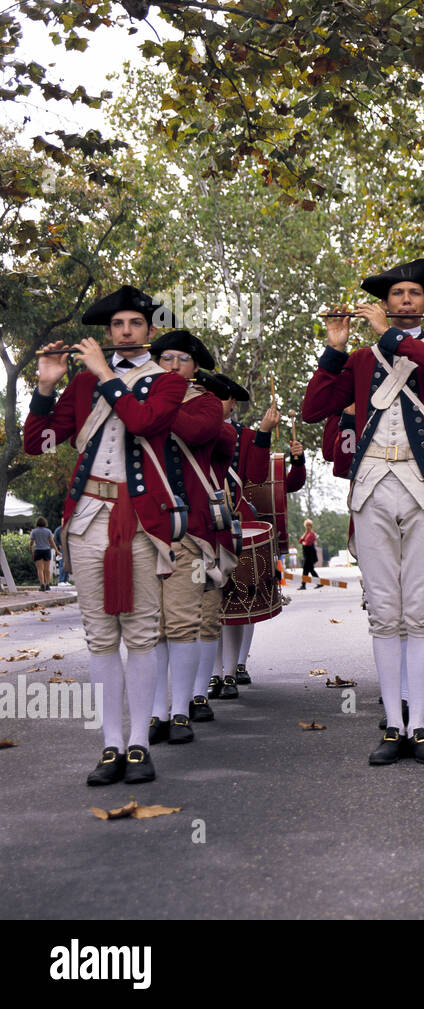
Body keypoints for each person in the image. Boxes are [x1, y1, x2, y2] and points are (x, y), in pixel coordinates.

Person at [25, 285, 187, 785]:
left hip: (141, 521)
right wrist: (48, 387)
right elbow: (38, 443)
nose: (124, 332)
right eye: (117, 325)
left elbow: (143, 422)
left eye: (134, 324)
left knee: (140, 633)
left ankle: (139, 742)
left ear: (150, 331)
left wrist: (102, 375)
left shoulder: (168, 382)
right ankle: (110, 745)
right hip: (90, 516)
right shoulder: (81, 385)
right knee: (99, 636)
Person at [302, 258, 424, 764]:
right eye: (397, 294)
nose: (405, 300)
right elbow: (313, 408)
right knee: (385, 613)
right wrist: (334, 346)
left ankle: (418, 723)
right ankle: (393, 725)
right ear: (386, 303)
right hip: (371, 485)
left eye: (414, 293)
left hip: (423, 487)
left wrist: (385, 337)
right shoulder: (361, 361)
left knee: (422, 609)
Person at [145, 330, 227, 748]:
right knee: (152, 628)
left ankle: (181, 711)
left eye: (181, 360)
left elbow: (196, 434)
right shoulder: (139, 399)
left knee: (181, 622)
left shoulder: (208, 403)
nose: (172, 366)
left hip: (191, 530)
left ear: (196, 368)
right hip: (145, 527)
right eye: (164, 359)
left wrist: (161, 401)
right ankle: (157, 712)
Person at [210, 372, 279, 696]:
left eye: (221, 398)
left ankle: (231, 670)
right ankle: (211, 673)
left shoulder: (246, 435)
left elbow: (255, 474)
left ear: (232, 404)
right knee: (206, 602)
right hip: (199, 523)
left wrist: (263, 435)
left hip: (234, 518)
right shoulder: (188, 429)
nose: (213, 403)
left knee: (235, 598)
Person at [29, 517, 55, 591]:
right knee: (47, 569)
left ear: (37, 523)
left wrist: (30, 547)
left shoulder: (34, 531)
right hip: (46, 550)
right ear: (44, 523)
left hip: (38, 550)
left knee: (40, 569)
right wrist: (56, 550)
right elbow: (52, 542)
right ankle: (47, 585)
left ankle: (42, 585)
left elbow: (31, 541)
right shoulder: (48, 531)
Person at [298, 519, 319, 589]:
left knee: (307, 570)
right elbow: (300, 541)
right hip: (306, 554)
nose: (307, 527)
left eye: (309, 525)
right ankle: (304, 585)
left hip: (309, 555)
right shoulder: (306, 533)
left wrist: (304, 543)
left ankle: (304, 585)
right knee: (308, 570)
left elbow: (307, 543)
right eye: (306, 525)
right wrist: (304, 535)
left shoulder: (312, 534)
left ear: (311, 526)